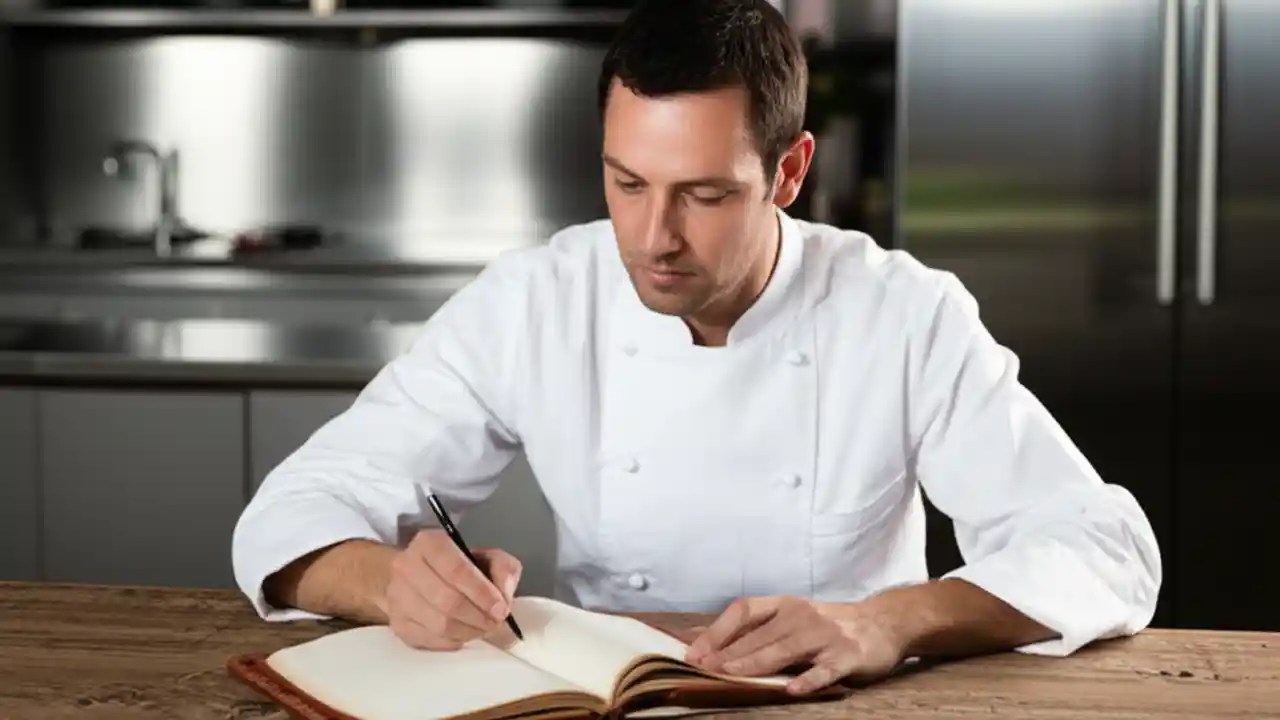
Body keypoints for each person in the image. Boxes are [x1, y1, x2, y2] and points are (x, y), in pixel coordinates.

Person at [232, 0, 1160, 695]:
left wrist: (890, 622)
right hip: (613, 703)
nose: (652, 236)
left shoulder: (902, 313)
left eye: (704, 195)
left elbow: (1106, 549)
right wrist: (394, 582)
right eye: (626, 182)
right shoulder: (537, 300)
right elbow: (291, 512)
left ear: (789, 171)